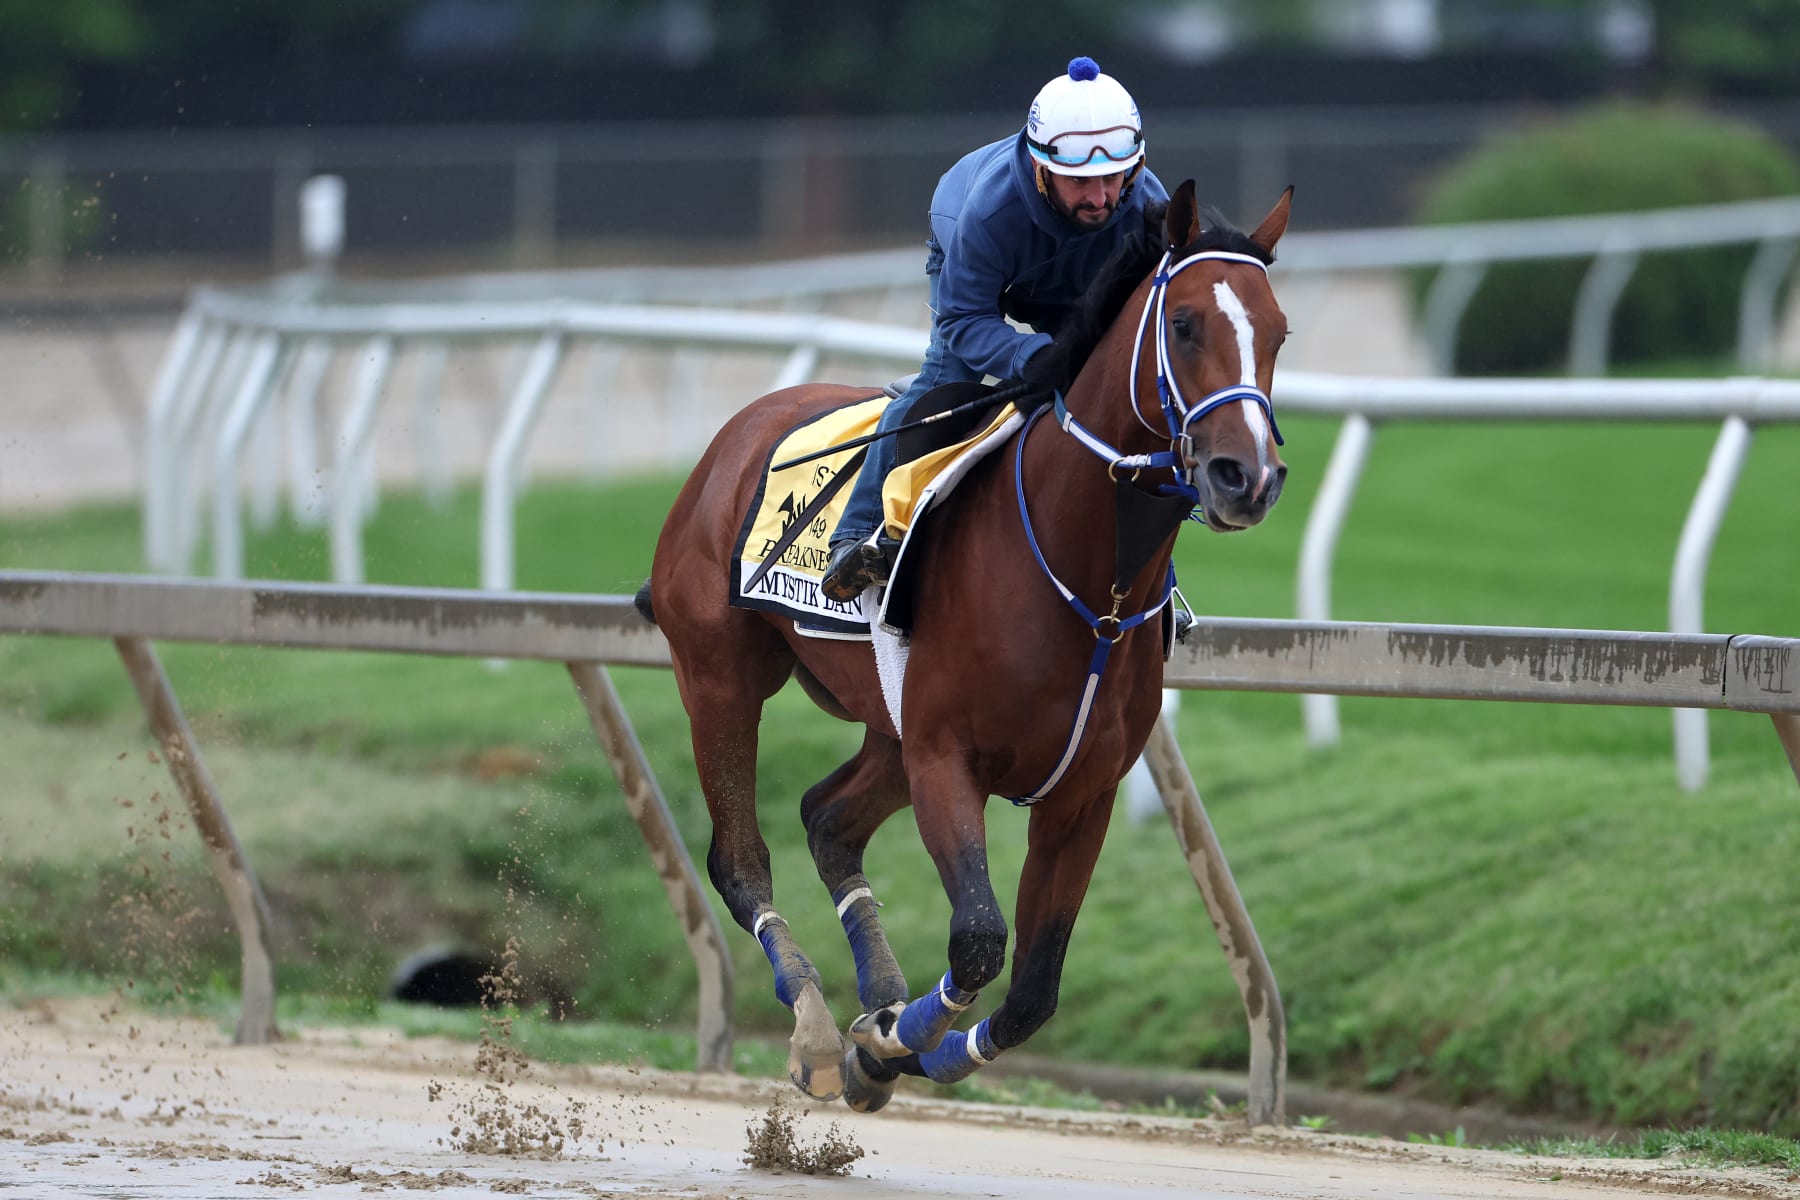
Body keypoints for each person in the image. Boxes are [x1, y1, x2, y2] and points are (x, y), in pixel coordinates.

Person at [819, 55, 1169, 603]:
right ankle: (853, 534)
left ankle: (1157, 579)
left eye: (1112, 177)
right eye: (1080, 181)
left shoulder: (1148, 205)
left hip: (1080, 283)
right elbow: (965, 319)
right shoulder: (988, 211)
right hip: (978, 266)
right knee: (947, 382)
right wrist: (1030, 356)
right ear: (1041, 169)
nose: (1101, 198)